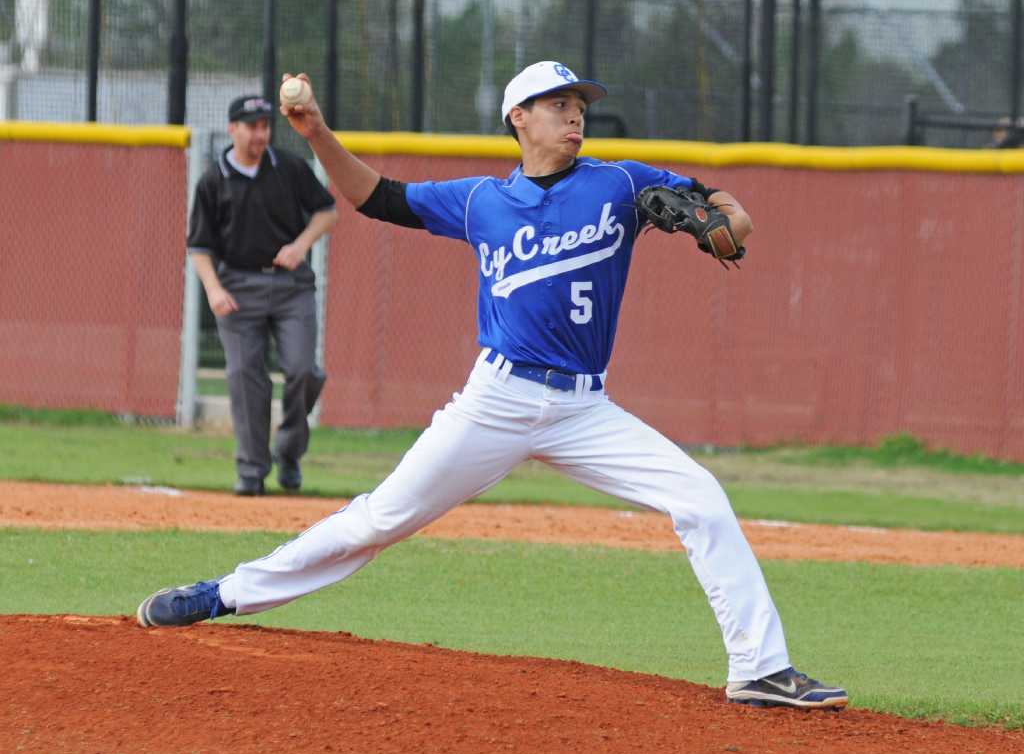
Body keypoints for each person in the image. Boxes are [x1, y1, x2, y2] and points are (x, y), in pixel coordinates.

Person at [138, 62, 847, 711]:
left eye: (579, 106)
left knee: (701, 499)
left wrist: (725, 227)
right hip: (497, 400)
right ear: (519, 118)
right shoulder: (481, 202)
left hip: (583, 409)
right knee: (380, 520)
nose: (575, 116)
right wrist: (316, 132)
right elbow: (372, 197)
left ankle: (759, 669)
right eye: (558, 105)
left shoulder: (621, 183)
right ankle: (223, 593)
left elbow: (723, 207)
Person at [188, 94, 338, 496]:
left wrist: (301, 245)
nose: (260, 133)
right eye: (252, 126)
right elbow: (199, 247)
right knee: (244, 377)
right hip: (237, 287)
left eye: (265, 125)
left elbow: (327, 210)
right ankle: (252, 471)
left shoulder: (287, 168)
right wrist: (214, 289)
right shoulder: (213, 180)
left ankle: (288, 452)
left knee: (303, 371)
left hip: (291, 287)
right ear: (233, 128)